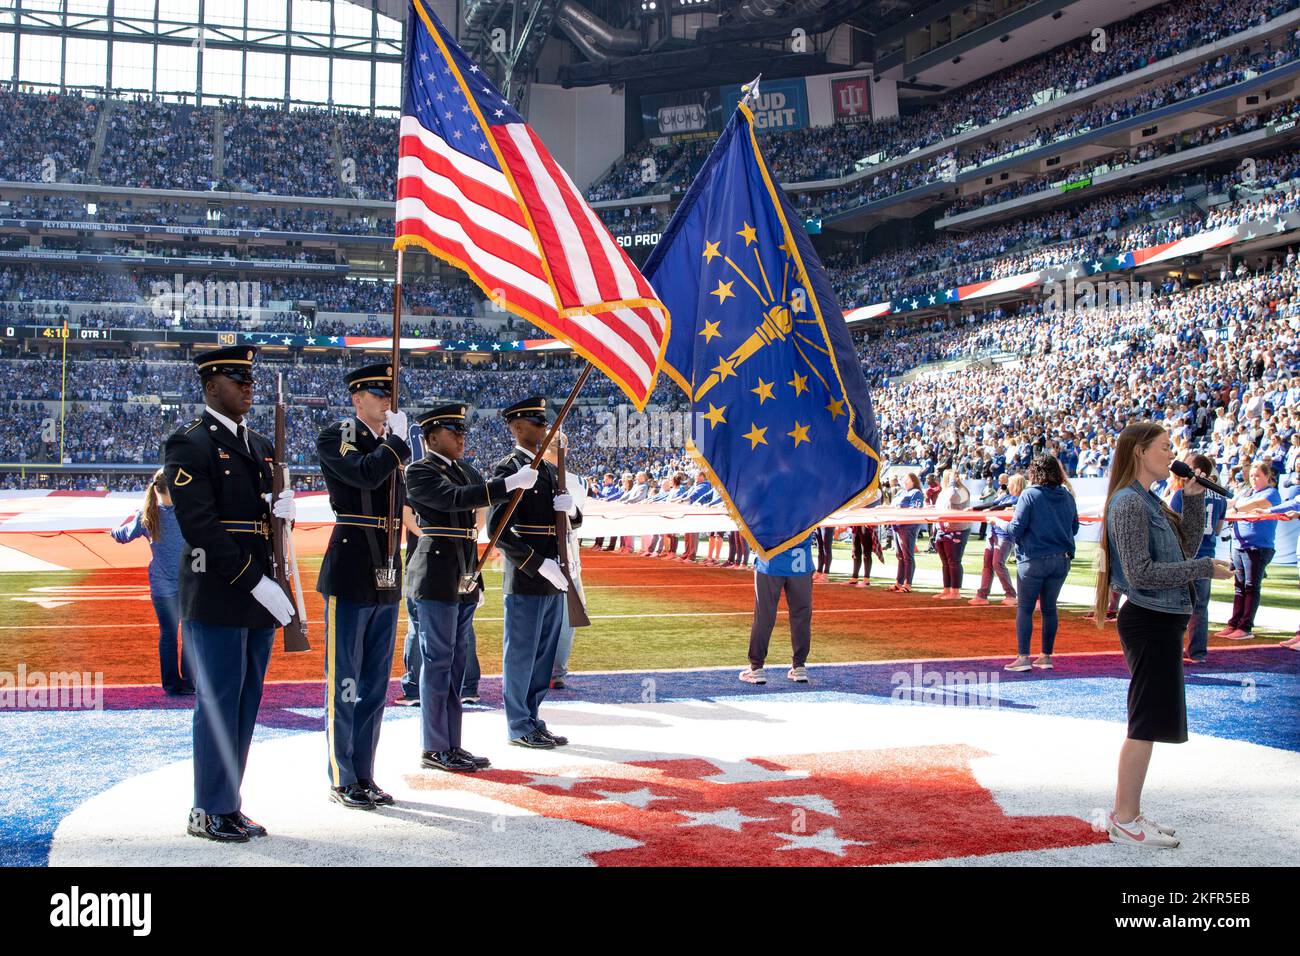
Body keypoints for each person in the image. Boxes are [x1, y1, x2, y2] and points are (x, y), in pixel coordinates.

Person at [163, 345, 297, 843]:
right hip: (221, 590)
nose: (247, 386)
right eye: (236, 378)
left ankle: (230, 804)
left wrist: (282, 509)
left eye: (250, 378)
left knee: (244, 702)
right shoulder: (189, 443)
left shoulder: (261, 444)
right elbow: (199, 525)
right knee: (217, 703)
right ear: (209, 385)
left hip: (257, 592)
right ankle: (208, 808)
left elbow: (262, 518)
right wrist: (255, 581)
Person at [1094, 422, 1233, 849]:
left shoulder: (1147, 501)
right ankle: (1124, 817)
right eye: (1165, 446)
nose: (1172, 453)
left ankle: (1129, 811)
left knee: (1149, 721)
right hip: (1150, 619)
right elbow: (1142, 573)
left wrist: (1193, 502)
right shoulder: (1130, 504)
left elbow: (1183, 550)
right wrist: (1205, 569)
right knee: (1145, 721)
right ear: (1139, 451)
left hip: (1162, 618)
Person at [406, 403, 537, 773]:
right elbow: (453, 500)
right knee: (437, 662)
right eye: (453, 432)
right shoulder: (419, 470)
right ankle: (434, 746)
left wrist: (474, 577)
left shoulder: (465, 469)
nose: (461, 438)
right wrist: (506, 485)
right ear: (432, 437)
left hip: (463, 571)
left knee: (456, 663)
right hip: (435, 572)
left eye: (462, 432)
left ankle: (452, 742)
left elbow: (474, 510)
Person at [316, 363, 410, 810]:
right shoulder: (338, 435)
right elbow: (364, 475)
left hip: (388, 567)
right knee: (345, 679)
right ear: (357, 398)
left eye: (389, 393)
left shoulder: (393, 445)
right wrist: (396, 444)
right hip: (352, 566)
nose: (386, 400)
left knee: (374, 681)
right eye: (378, 393)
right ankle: (342, 775)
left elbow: (401, 501)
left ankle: (366, 773)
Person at [489, 397, 581, 749]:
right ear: (516, 427)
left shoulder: (546, 469)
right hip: (528, 574)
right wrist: (534, 562)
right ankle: (518, 724)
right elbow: (496, 529)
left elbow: (566, 521)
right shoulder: (509, 469)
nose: (546, 429)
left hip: (554, 573)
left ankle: (533, 716)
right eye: (537, 423)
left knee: (543, 653)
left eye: (545, 422)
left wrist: (570, 512)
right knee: (522, 653)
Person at [110, 468, 196, 696]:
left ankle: (170, 684)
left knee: (168, 635)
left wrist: (115, 528)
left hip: (162, 586)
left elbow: (122, 535)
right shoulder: (188, 512)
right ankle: (189, 681)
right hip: (189, 583)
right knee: (189, 633)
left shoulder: (146, 515)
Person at [1003, 455, 1078, 672]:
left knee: (1025, 608)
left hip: (1033, 559)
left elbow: (1016, 529)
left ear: (1035, 473)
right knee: (1049, 608)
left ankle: (1023, 657)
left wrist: (1000, 523)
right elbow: (1074, 528)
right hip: (1061, 559)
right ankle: (1046, 656)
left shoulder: (1029, 494)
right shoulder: (1067, 495)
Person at [1169, 453, 1227, 663]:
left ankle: (1173, 650)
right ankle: (1198, 652)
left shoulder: (1180, 494)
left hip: (1186, 555)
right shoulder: (1220, 497)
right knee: (1200, 607)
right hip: (1207, 555)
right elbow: (1219, 529)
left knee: (1177, 606)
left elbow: (1173, 526)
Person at [740, 532, 815, 685]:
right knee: (801, 615)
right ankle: (799, 665)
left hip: (770, 562)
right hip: (800, 562)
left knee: (764, 615)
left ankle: (756, 667)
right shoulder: (807, 506)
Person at [1218, 461, 1282, 640]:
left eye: (1258, 476)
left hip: (1258, 547)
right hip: (1239, 546)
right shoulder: (1246, 492)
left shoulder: (1271, 493)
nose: (1254, 479)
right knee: (1239, 587)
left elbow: (1257, 504)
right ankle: (1234, 624)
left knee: (1251, 586)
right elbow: (1233, 503)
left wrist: (1234, 509)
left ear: (1267, 477)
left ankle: (1245, 627)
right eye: (1252, 476)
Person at [546, 432, 589, 689]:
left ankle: (545, 670)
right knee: (565, 619)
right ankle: (558, 672)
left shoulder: (536, 477)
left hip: (544, 555)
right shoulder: (580, 482)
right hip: (570, 555)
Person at [969, 474, 1024, 606]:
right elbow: (993, 503)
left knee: (997, 563)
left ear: (1015, 485)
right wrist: (973, 509)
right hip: (992, 532)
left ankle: (1010, 594)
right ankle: (982, 594)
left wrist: (990, 510)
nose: (1006, 485)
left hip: (1005, 535)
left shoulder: (1020, 499)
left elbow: (1003, 506)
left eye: (1009, 483)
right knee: (987, 563)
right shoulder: (1004, 496)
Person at [933, 469, 973, 600]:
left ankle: (955, 592)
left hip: (957, 529)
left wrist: (952, 484)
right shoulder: (944, 492)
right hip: (943, 529)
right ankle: (947, 589)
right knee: (946, 561)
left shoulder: (959, 490)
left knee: (954, 560)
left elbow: (953, 498)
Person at [889, 473, 925, 592]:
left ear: (913, 481)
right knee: (900, 556)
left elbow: (915, 509)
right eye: (904, 479)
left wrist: (900, 509)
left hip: (908, 527)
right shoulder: (901, 492)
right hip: (897, 525)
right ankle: (899, 582)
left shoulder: (916, 493)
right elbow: (892, 505)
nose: (904, 482)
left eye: (907, 480)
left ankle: (907, 583)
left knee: (907, 556)